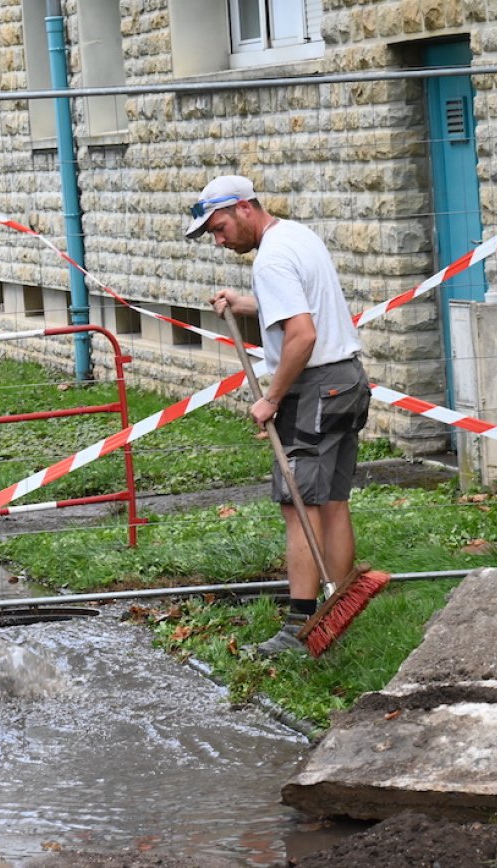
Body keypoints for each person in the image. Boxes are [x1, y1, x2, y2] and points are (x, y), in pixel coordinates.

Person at [186, 175, 371, 656]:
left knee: (299, 507)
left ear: (245, 208)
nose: (219, 240)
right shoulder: (296, 235)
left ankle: (298, 625)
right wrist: (243, 303)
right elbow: (293, 307)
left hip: (313, 389)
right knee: (331, 501)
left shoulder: (269, 258)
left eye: (220, 227)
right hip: (347, 379)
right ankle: (341, 605)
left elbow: (302, 335)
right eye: (211, 234)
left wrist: (272, 397)